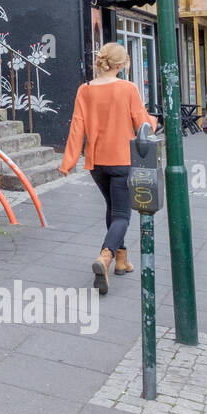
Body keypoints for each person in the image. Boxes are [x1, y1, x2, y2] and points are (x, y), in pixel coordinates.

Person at [58, 43, 157, 296]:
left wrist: (68, 162)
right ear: (121, 65)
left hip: (97, 162)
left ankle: (121, 260)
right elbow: (143, 126)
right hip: (122, 160)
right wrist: (154, 121)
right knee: (123, 215)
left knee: (113, 209)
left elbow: (77, 127)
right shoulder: (128, 89)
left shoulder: (85, 89)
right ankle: (106, 256)